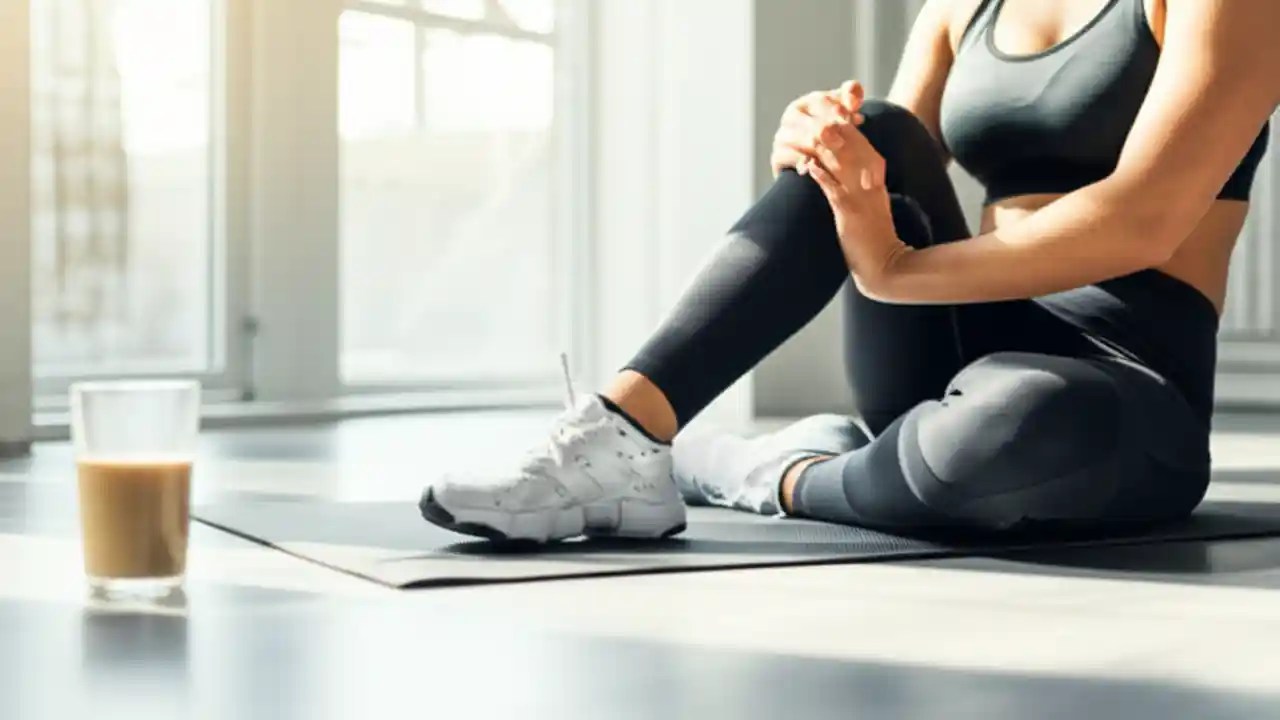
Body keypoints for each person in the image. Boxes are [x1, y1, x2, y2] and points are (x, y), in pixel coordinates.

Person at [419, 0, 1279, 542]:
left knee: (1023, 421)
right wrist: (815, 143)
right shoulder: (964, 7)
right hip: (951, 349)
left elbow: (1143, 218)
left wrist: (896, 271)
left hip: (1123, 382)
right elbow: (874, 178)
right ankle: (625, 433)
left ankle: (768, 473)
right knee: (871, 131)